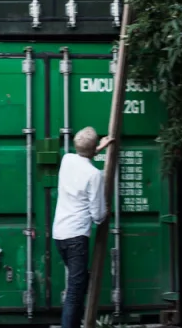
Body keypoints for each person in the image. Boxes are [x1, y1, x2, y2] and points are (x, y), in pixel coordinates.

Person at [52, 127, 114, 328]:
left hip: (59, 235)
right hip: (76, 237)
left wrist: (97, 148)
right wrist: (107, 210)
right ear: (94, 146)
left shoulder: (67, 160)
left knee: (79, 284)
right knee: (74, 293)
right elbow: (98, 216)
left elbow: (84, 154)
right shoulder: (94, 175)